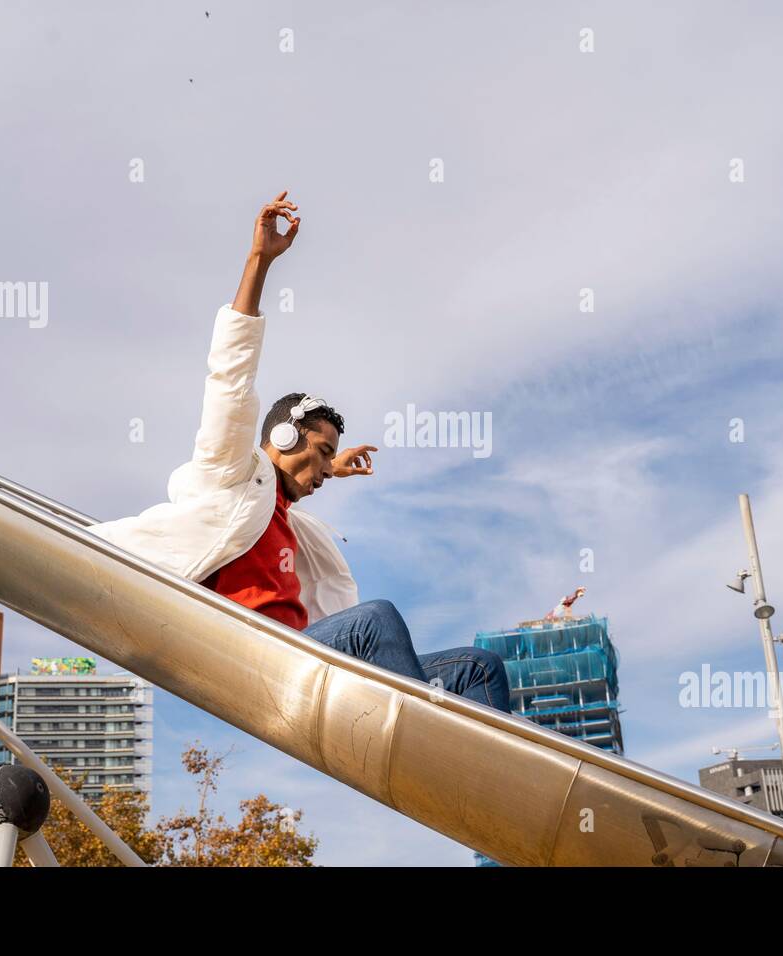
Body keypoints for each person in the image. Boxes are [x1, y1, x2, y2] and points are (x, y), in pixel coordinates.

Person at [89, 191, 510, 713]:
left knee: (478, 666)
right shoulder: (227, 477)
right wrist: (259, 262)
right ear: (285, 438)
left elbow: (282, 488)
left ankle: (492, 777)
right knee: (374, 618)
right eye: (321, 452)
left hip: (304, 652)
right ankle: (424, 734)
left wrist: (328, 463)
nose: (325, 474)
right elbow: (229, 380)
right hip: (256, 659)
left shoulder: (286, 516)